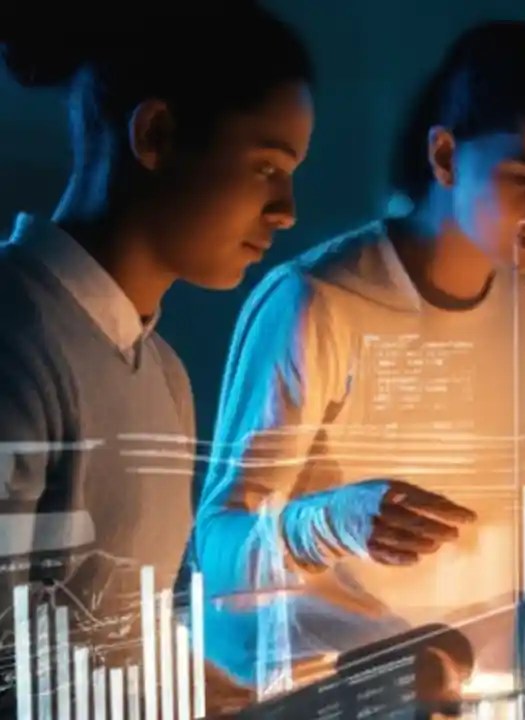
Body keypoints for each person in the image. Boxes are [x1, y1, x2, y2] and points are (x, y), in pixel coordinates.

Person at [194, 19, 525, 703]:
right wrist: (333, 521)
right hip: (316, 698)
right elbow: (218, 549)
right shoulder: (318, 303)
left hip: (468, 693)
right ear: (446, 155)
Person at [0, 2, 313, 714]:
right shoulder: (19, 342)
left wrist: (211, 692)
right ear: (157, 135)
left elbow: (112, 627)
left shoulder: (162, 375)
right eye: (267, 166)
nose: (287, 210)